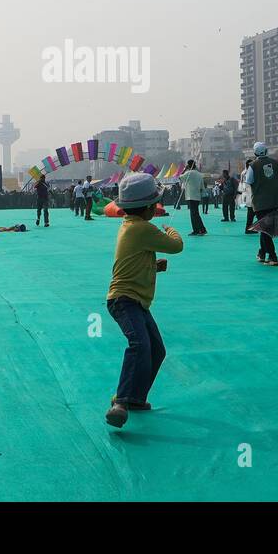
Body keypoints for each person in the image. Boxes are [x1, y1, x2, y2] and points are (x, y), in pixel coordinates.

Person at [104, 172, 183, 429]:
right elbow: (176, 246)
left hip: (134, 300)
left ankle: (136, 398)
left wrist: (152, 265)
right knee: (140, 344)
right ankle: (121, 401)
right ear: (148, 207)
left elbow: (135, 258)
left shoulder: (130, 226)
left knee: (156, 350)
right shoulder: (142, 228)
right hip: (124, 300)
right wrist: (171, 229)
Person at [245, 142, 278, 267]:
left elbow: (248, 181)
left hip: (260, 203)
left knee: (265, 230)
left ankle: (273, 256)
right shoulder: (276, 163)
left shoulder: (253, 165)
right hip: (275, 201)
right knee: (265, 229)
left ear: (255, 153)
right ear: (266, 151)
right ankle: (262, 253)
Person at [180, 160, 207, 236]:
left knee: (193, 214)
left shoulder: (188, 173)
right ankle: (200, 229)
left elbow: (180, 177)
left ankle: (199, 230)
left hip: (191, 196)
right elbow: (202, 187)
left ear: (188, 165)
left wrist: (185, 169)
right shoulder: (199, 174)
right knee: (195, 213)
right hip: (197, 196)